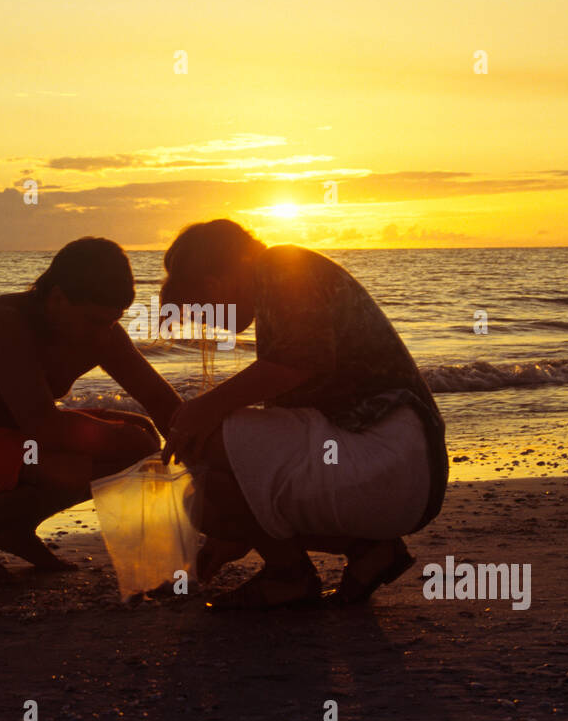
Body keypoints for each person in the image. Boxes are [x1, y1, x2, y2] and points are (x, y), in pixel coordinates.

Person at [159, 220, 448, 609]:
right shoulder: (279, 286)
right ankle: (369, 552)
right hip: (400, 473)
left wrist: (203, 409)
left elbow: (301, 359)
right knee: (212, 498)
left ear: (213, 287)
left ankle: (289, 576)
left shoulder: (282, 267)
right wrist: (227, 527)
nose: (212, 332)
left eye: (204, 317)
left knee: (207, 442)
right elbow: (273, 451)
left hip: (388, 457)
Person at [0, 237, 182, 583]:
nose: (102, 333)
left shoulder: (100, 333)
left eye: (112, 322)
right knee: (94, 458)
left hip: (9, 445)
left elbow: (163, 404)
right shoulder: (5, 323)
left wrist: (216, 465)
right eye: (94, 321)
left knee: (143, 434)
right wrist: (129, 442)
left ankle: (13, 530)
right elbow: (43, 427)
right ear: (58, 297)